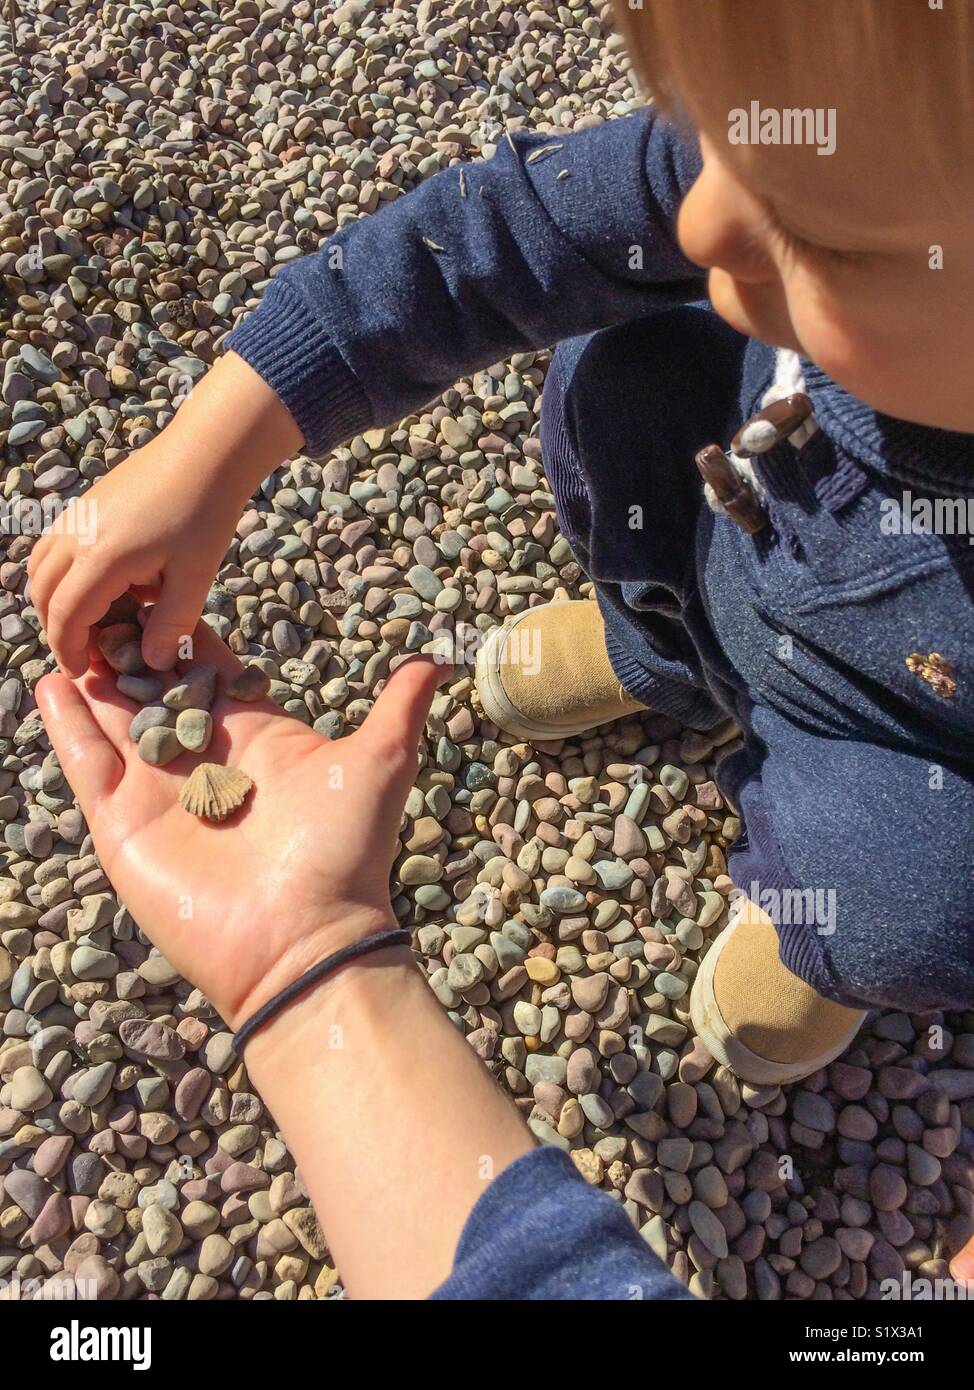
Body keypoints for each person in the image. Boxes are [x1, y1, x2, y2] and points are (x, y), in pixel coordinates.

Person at [27, 0, 974, 1295]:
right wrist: (216, 442)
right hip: (723, 532)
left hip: (913, 747)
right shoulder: (798, 159)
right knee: (628, 370)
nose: (701, 222)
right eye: (715, 145)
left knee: (909, 889)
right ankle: (660, 657)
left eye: (818, 229)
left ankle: (825, 929)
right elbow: (496, 232)